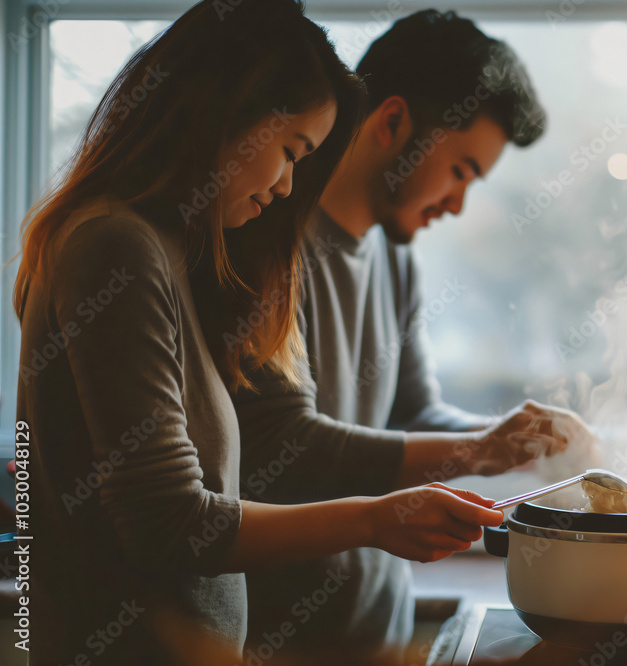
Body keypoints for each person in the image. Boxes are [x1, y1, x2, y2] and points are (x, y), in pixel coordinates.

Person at [13, 2, 502, 664]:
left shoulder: (165, 248)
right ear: (227, 115)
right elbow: (169, 521)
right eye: (291, 151)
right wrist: (375, 518)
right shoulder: (115, 247)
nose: (287, 185)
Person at [231, 9, 598, 664]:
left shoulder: (393, 253)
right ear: (393, 121)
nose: (457, 204)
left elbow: (413, 415)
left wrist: (522, 444)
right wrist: (478, 450)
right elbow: (284, 447)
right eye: (460, 170)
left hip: (377, 629)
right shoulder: (269, 239)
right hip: (273, 643)